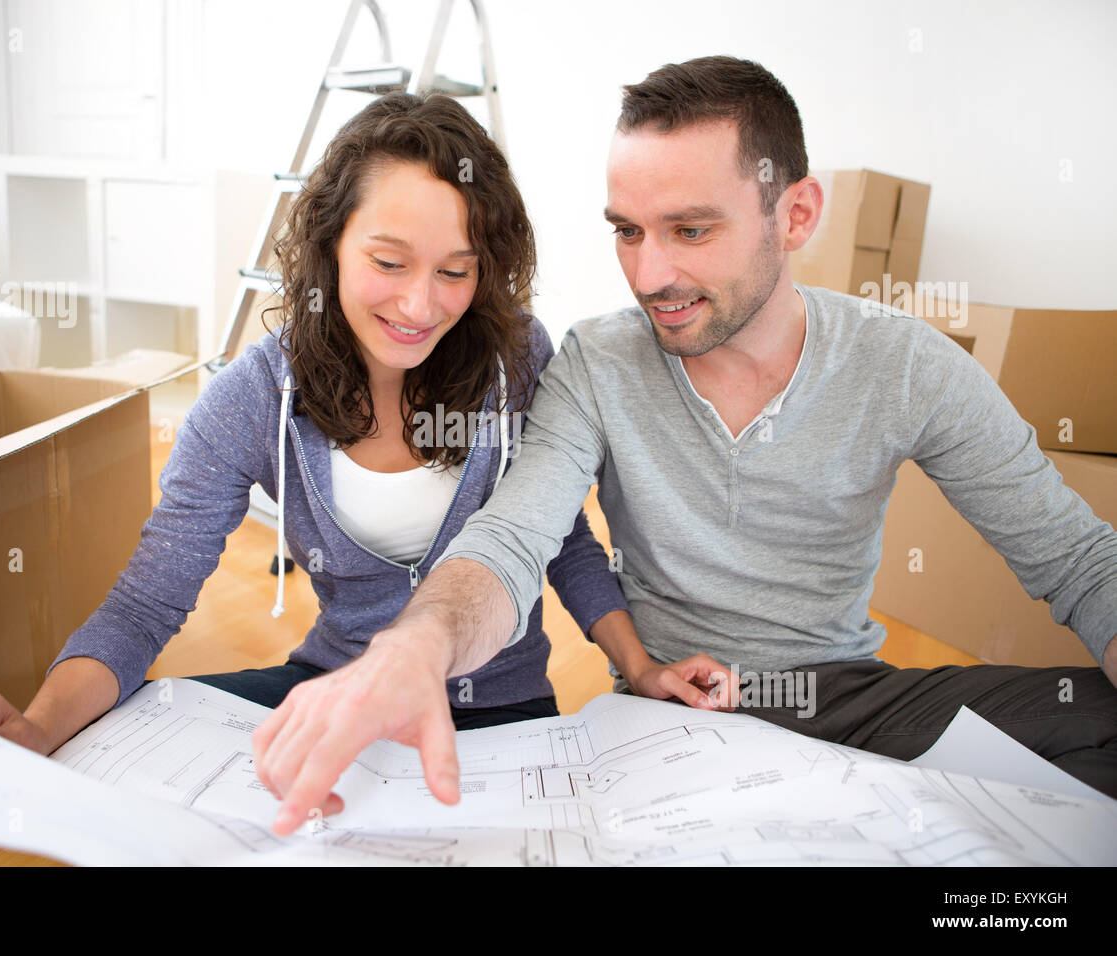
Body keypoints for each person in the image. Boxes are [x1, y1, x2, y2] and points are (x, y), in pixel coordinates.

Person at [252, 56, 1117, 835]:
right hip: (672, 711)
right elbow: (514, 540)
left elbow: (1079, 564)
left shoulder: (906, 365)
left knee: (1094, 720)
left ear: (796, 214)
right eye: (627, 230)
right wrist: (419, 645)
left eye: (690, 231)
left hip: (844, 696)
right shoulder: (598, 361)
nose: (649, 274)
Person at [0, 93, 692, 780]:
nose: (419, 304)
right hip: (330, 689)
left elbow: (559, 538)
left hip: (498, 707)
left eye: (456, 272)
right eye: (388, 263)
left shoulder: (518, 357)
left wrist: (639, 664)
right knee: (132, 742)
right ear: (332, 244)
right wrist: (38, 727)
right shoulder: (255, 396)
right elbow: (145, 605)